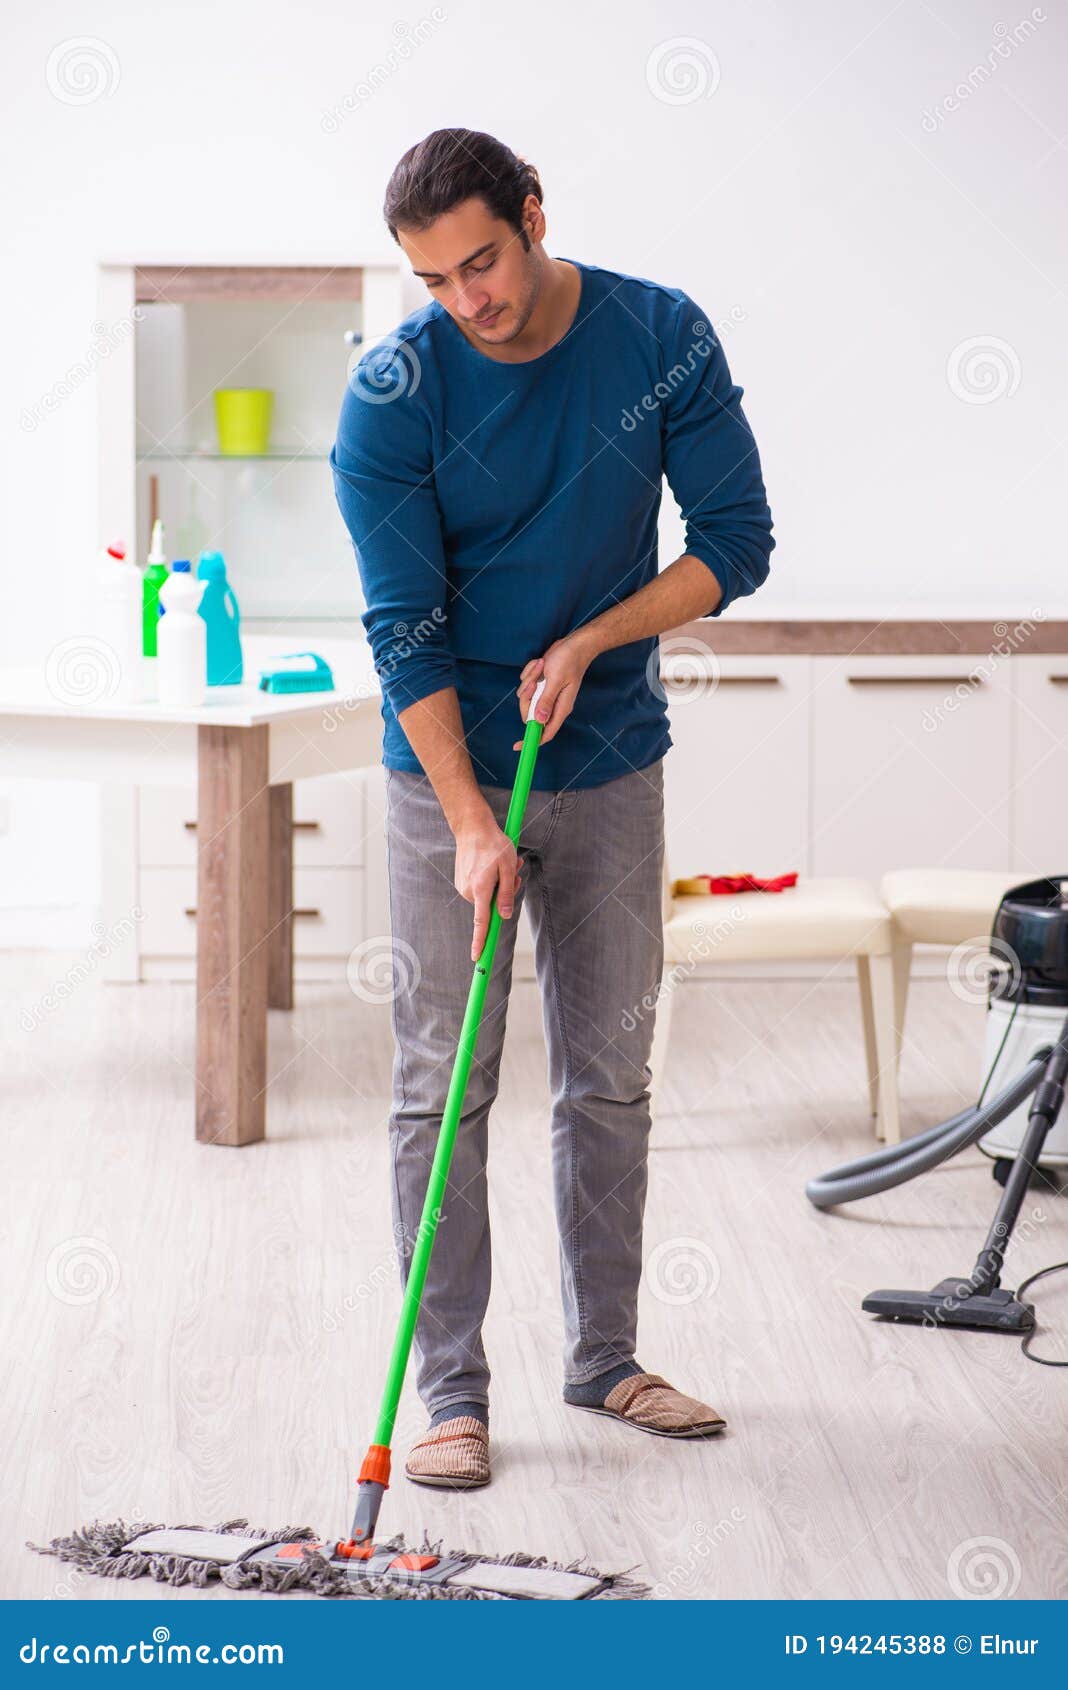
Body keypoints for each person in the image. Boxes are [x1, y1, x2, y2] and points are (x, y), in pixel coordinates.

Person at [331, 128, 775, 1490]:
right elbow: (403, 630)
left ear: (532, 214)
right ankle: (451, 1393)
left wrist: (591, 641)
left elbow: (734, 543)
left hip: (611, 760)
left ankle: (605, 1358)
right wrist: (468, 820)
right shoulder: (392, 394)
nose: (468, 300)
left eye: (482, 262)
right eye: (436, 279)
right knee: (443, 1087)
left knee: (609, 1076)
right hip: (447, 777)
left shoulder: (657, 335)